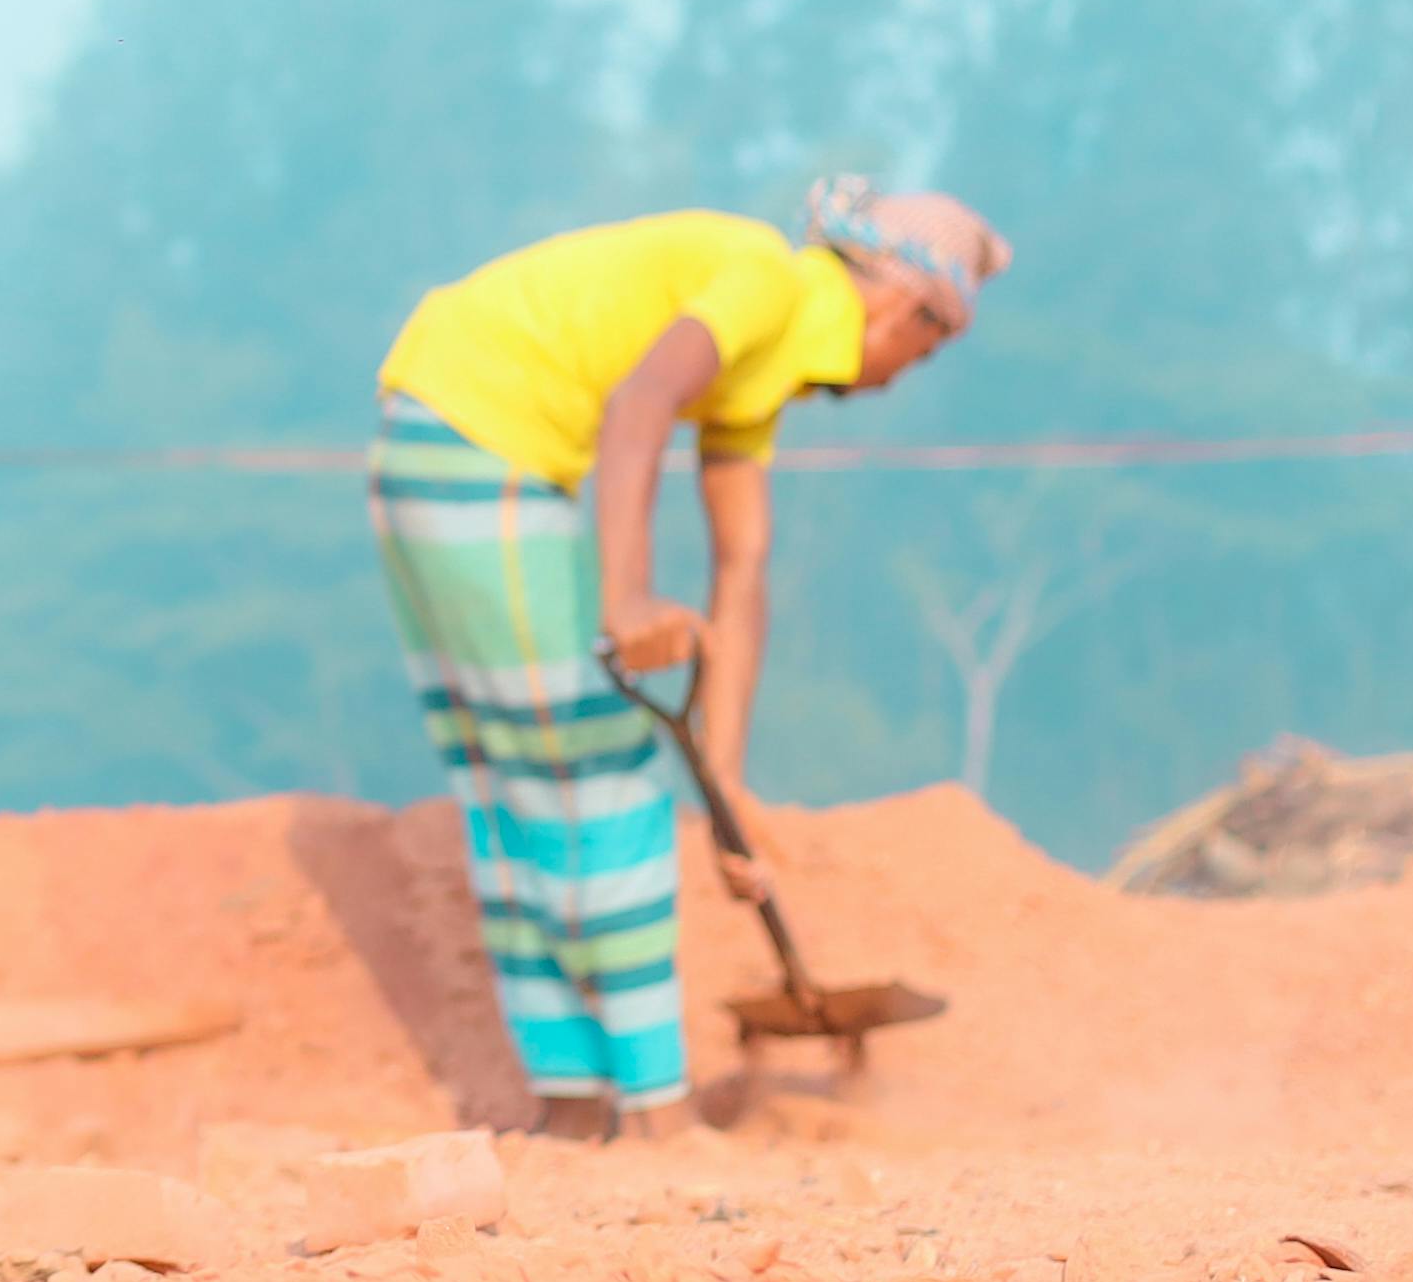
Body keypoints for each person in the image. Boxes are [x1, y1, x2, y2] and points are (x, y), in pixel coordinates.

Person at [361, 177, 1009, 1137]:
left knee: (514, 788)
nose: (908, 373)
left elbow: (741, 565)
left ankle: (574, 1104)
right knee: (605, 774)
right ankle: (662, 1115)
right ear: (906, 306)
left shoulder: (760, 369)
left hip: (434, 436)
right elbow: (638, 403)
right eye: (932, 344)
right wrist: (625, 595)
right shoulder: (765, 282)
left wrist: (730, 780)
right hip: (481, 444)